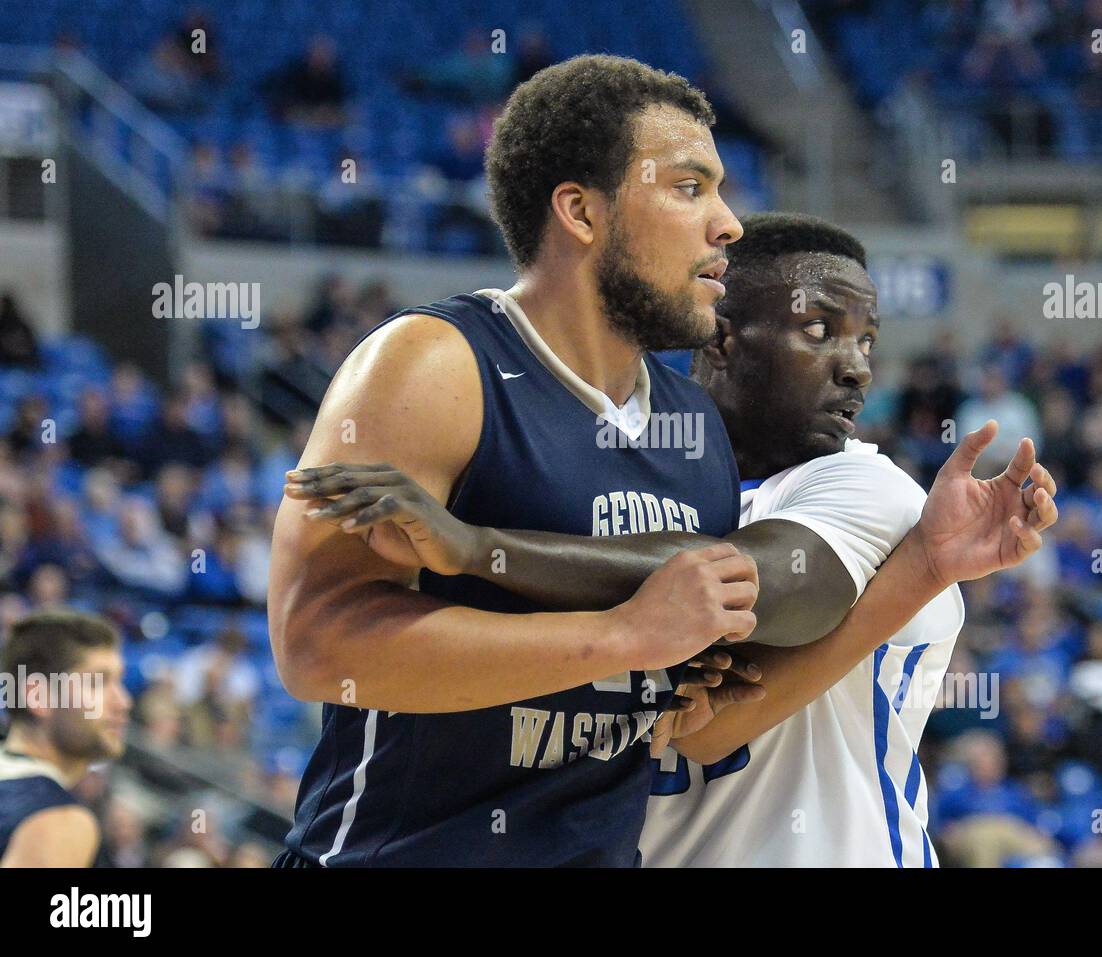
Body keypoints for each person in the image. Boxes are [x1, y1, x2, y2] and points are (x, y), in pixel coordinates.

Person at [290, 213, 1058, 866]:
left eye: (867, 339)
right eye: (820, 330)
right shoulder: (634, 482)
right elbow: (701, 721)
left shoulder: (869, 489)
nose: (856, 367)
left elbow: (729, 585)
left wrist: (472, 546)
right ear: (721, 338)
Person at [269, 55, 757, 867]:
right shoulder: (433, 366)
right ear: (580, 210)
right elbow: (317, 644)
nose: (728, 222)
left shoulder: (695, 424)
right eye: (689, 186)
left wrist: (683, 679)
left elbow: (662, 681)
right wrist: (623, 635)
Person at [0, 610, 132, 867]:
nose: (123, 702)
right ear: (38, 696)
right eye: (97, 683)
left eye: (119, 682)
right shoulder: (56, 820)